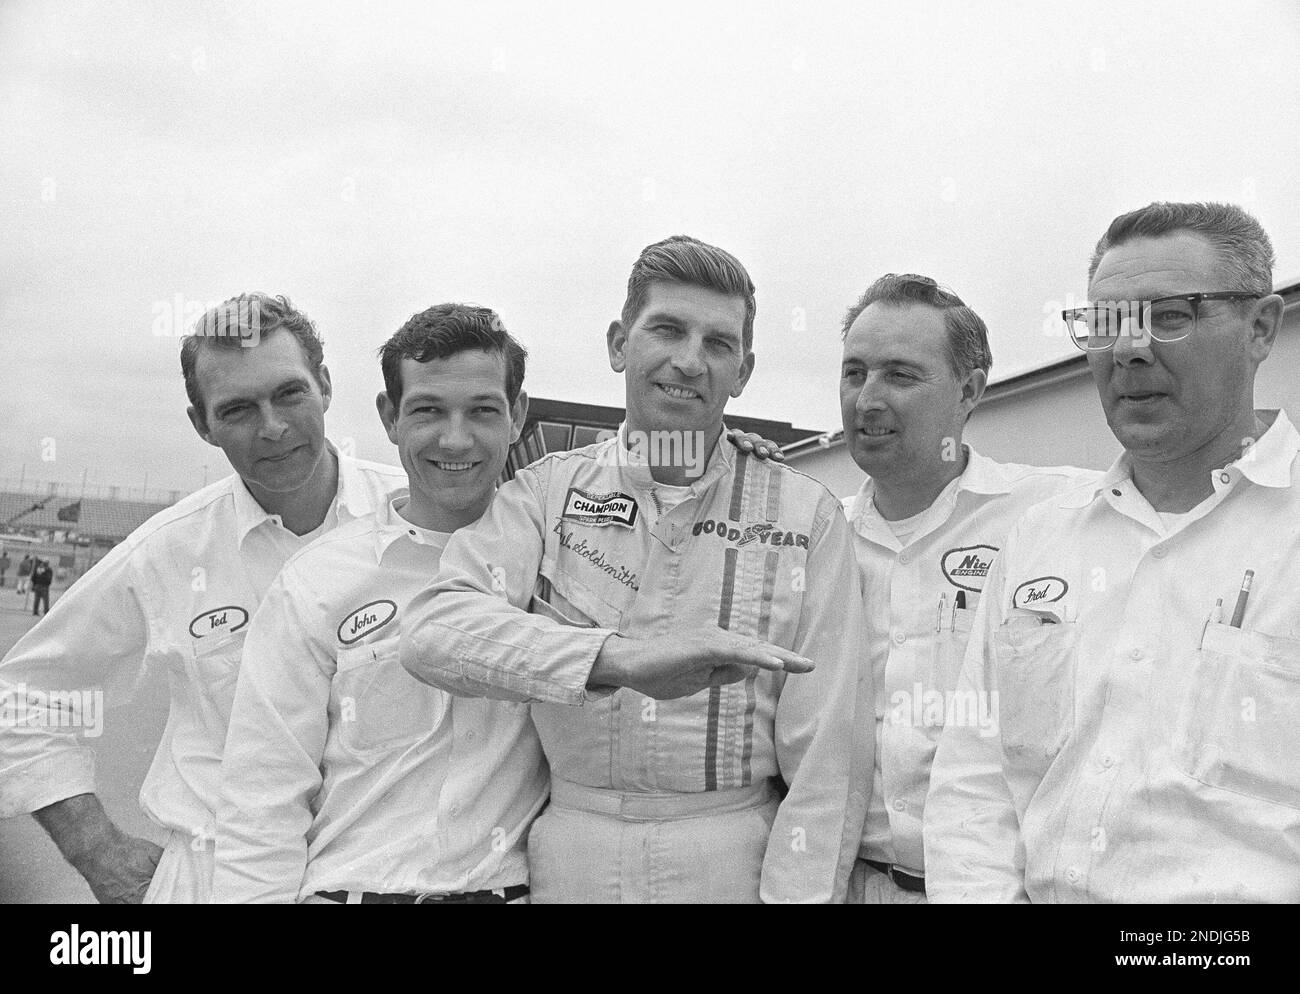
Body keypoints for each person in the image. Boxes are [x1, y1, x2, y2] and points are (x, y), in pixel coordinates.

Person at [401, 235, 871, 903]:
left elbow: (831, 757)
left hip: (734, 851)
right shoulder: (542, 495)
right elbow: (432, 635)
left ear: (743, 370)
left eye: (718, 343)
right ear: (620, 343)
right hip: (573, 850)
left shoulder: (806, 514)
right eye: (668, 330)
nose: (689, 360)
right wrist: (614, 661)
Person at [924, 201, 1300, 902]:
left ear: (1261, 328)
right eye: (1105, 323)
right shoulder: (1041, 539)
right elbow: (973, 780)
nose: (1128, 348)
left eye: (1171, 315)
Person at [0, 293, 405, 903]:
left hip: (384, 876)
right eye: (238, 408)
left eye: (289, 393)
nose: (272, 427)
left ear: (324, 385)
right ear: (202, 424)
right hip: (214, 879)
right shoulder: (167, 552)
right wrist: (97, 852)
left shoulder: (418, 522)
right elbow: (22, 702)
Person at [214, 304, 547, 904]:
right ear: (390, 417)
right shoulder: (316, 583)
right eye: (427, 410)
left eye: (482, 410)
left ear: (518, 415)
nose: (455, 438)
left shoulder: (559, 565)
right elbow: (262, 800)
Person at [837, 274, 1098, 903]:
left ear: (970, 390)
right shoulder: (818, 540)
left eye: (900, 375)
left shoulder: (1059, 514)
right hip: (853, 884)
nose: (868, 399)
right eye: (854, 372)